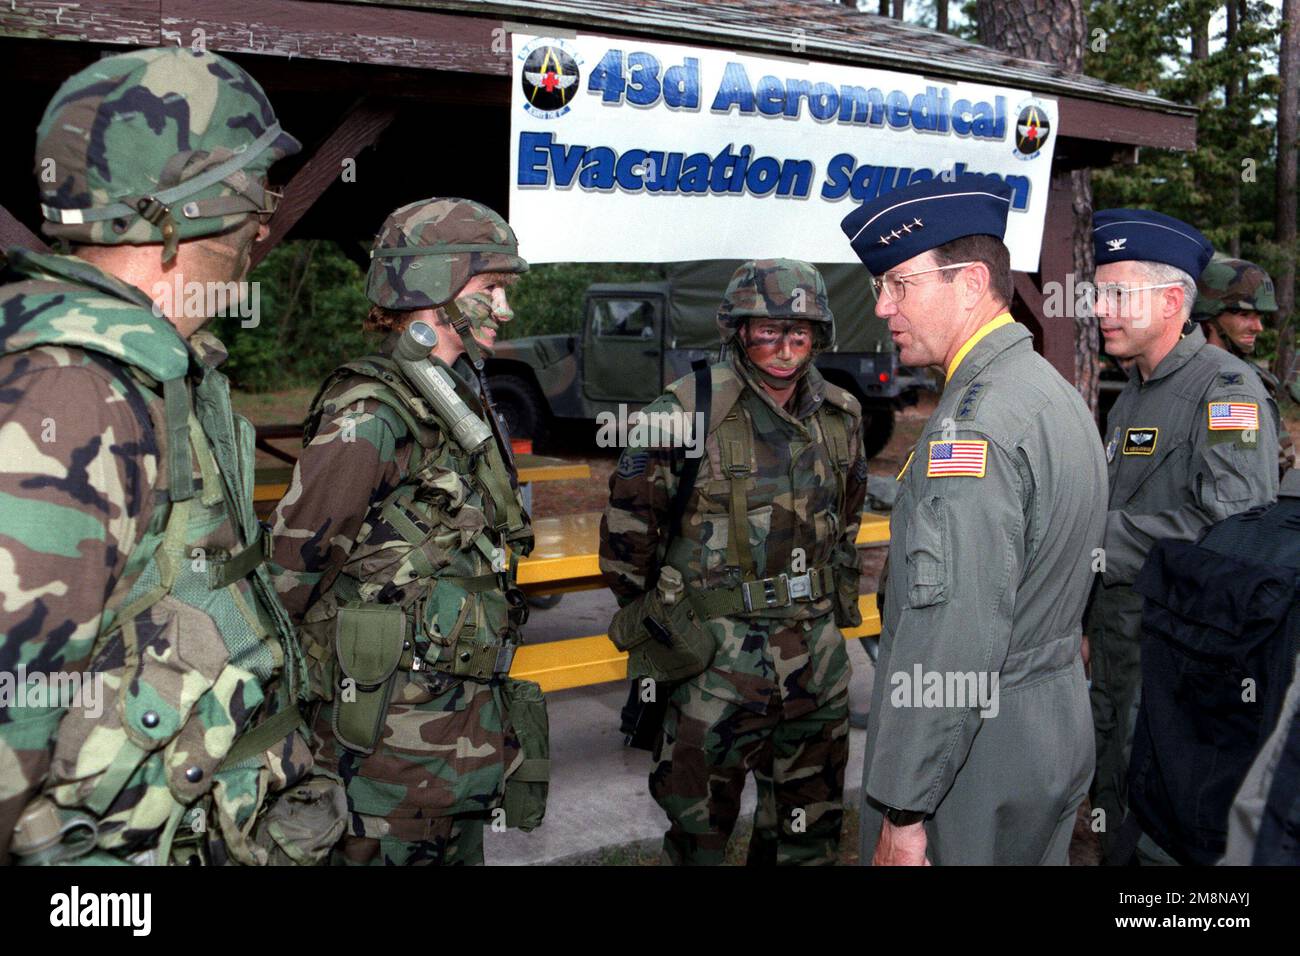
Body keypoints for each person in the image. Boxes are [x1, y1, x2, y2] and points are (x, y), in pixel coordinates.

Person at [0, 47, 338, 866]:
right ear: (190, 213)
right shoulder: (73, 398)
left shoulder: (141, 372)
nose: (266, 222)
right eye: (257, 192)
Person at [269, 198, 546, 866]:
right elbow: (287, 578)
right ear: (432, 285)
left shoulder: (453, 395)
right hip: (386, 750)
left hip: (457, 731)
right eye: (490, 291)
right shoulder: (372, 412)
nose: (503, 311)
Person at [840, 175, 1106, 865]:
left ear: (970, 283)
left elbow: (953, 632)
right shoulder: (1051, 392)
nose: (882, 306)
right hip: (1047, 726)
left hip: (973, 755)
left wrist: (904, 806)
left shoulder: (974, 429)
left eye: (899, 283)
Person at [600, 258, 867, 865]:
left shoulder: (842, 415)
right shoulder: (683, 412)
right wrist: (672, 627)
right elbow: (626, 543)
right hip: (714, 666)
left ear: (818, 336)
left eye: (799, 332)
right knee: (700, 838)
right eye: (768, 330)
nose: (784, 347)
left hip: (816, 664)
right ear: (738, 329)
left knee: (808, 837)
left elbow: (845, 523)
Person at [1085, 209, 1279, 864]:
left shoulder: (1227, 391)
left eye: (1118, 294)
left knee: (1162, 836)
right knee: (1113, 809)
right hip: (1121, 648)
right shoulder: (1136, 390)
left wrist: (1095, 541)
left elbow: (1233, 526)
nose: (1100, 309)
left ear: (1172, 301)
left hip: (1177, 667)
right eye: (1097, 292)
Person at [1193, 253, 1294, 478]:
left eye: (1258, 316)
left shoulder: (1254, 377)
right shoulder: (1210, 382)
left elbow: (1280, 462)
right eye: (1245, 314)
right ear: (1210, 317)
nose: (1257, 327)